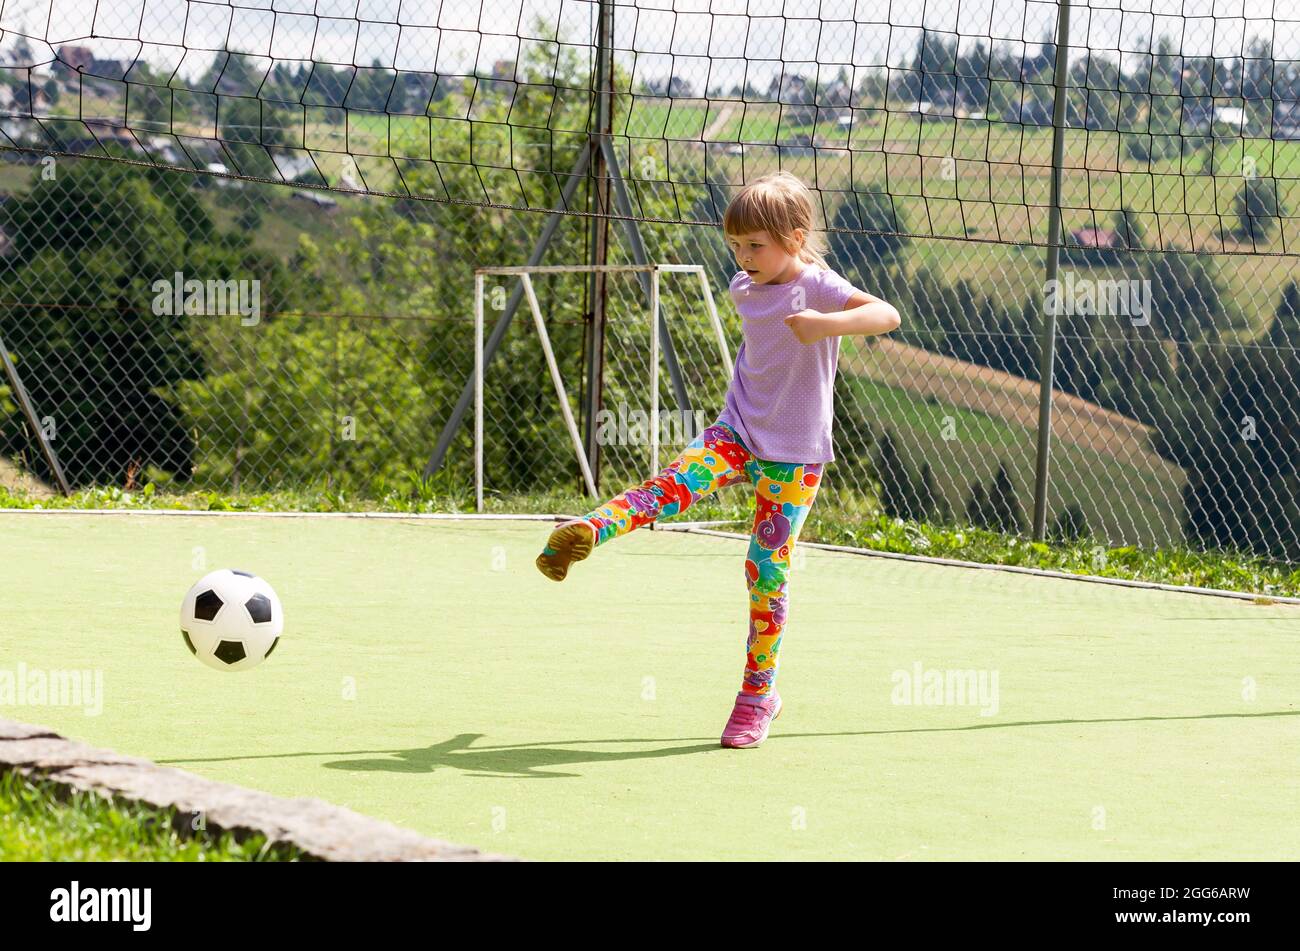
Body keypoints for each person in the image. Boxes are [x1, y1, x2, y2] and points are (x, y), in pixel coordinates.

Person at [536, 171, 901, 747]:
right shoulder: (743, 286)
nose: (744, 257)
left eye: (755, 245)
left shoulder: (818, 285)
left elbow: (887, 315)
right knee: (670, 486)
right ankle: (586, 531)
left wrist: (826, 325)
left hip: (793, 455)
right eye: (735, 245)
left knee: (765, 570)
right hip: (736, 430)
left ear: (795, 238)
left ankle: (759, 695)